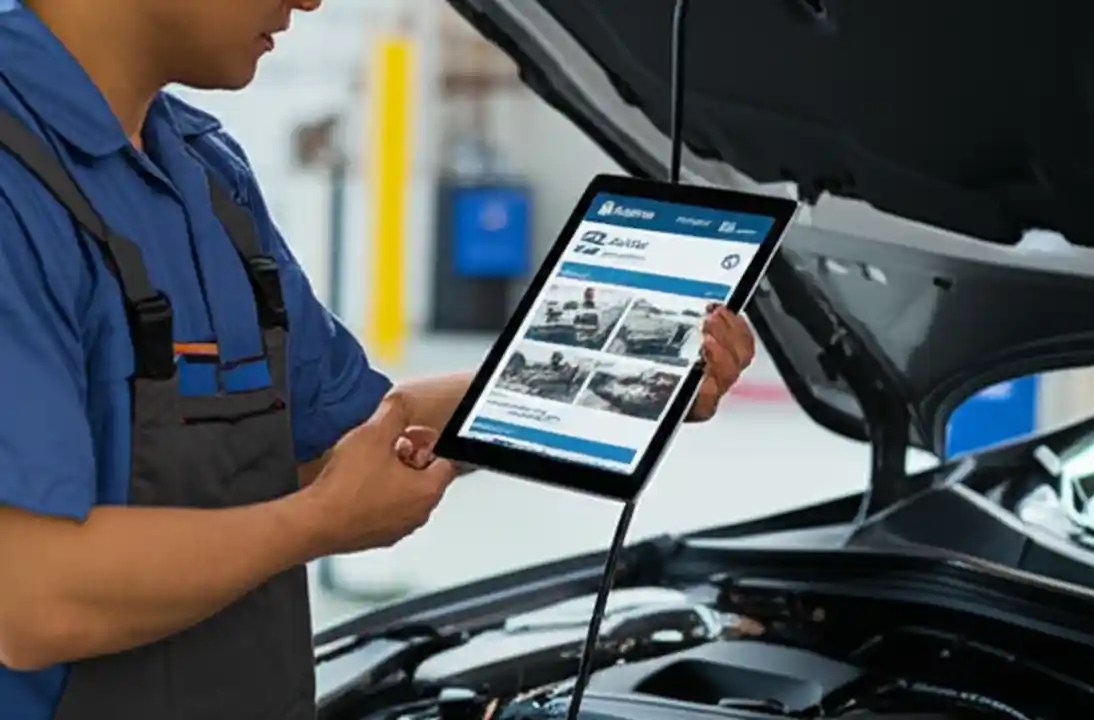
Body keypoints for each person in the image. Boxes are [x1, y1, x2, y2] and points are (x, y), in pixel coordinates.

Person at [0, 1, 759, 719]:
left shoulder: (202, 170)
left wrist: (620, 382)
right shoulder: (13, 184)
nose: (310, 0)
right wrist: (314, 524)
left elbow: (353, 433)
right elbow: (29, 598)